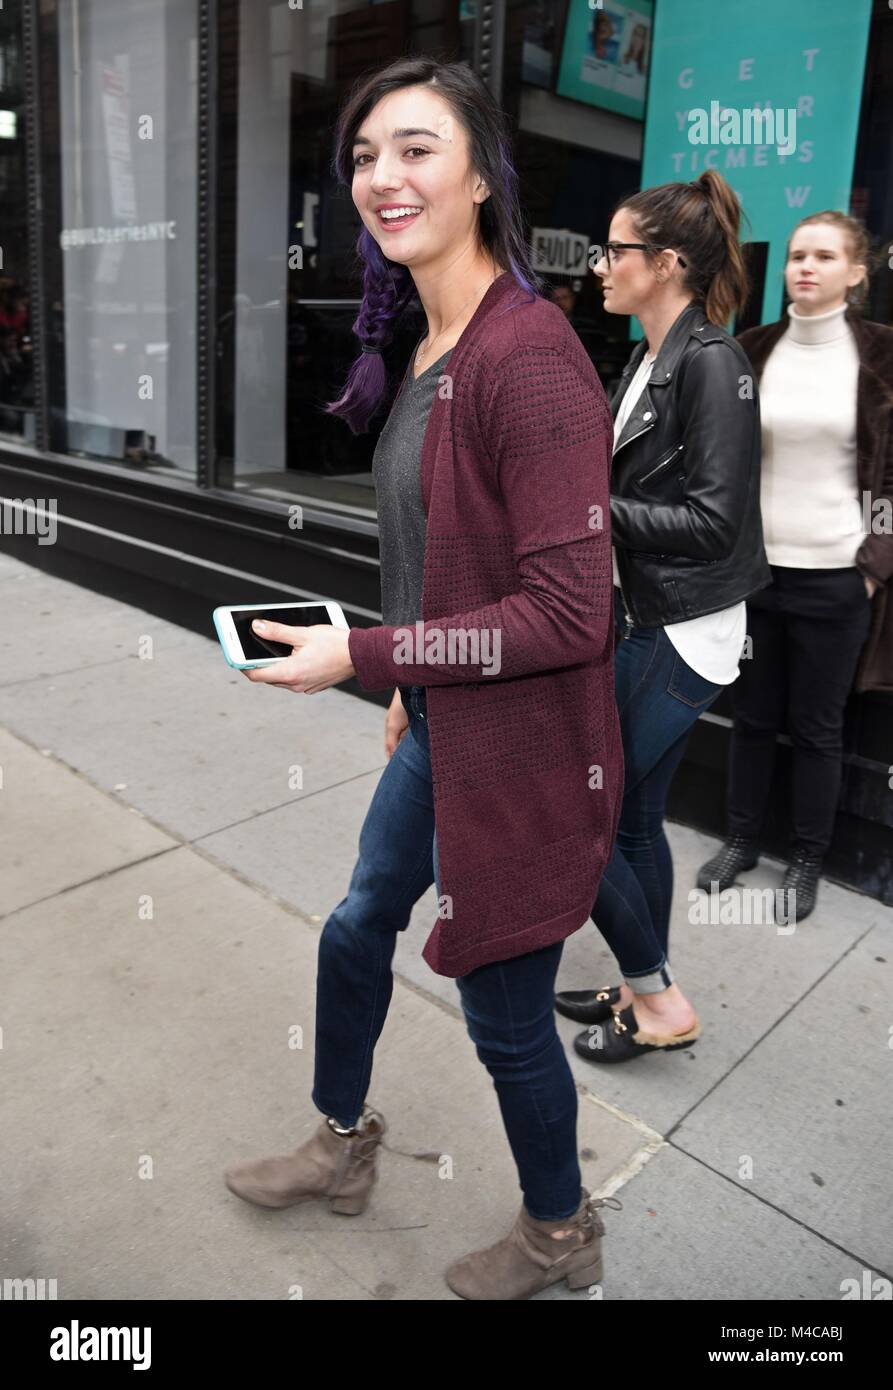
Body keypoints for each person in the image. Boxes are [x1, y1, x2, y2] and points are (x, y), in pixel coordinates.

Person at [222, 56, 624, 1301]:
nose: (380, 178)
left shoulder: (529, 356)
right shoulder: (433, 340)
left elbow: (569, 610)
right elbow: (442, 552)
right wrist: (408, 676)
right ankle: (343, 1140)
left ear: (480, 177)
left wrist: (369, 654)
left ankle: (560, 1230)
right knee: (356, 925)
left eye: (413, 149)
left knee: (505, 1018)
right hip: (447, 719)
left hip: (522, 753)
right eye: (361, 157)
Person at [555, 171, 771, 1062]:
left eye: (615, 250)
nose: (600, 265)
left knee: (581, 815)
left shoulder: (713, 364)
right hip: (646, 617)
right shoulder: (651, 356)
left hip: (678, 631)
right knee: (633, 818)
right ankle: (643, 981)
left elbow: (716, 521)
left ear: (667, 262)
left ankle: (659, 1002)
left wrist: (585, 507)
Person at [697, 211, 893, 920]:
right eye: (794, 256)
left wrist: (872, 563)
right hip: (754, 575)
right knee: (750, 717)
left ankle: (807, 857)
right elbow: (718, 461)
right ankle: (741, 839)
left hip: (837, 579)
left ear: (856, 272)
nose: (803, 267)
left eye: (822, 256)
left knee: (817, 728)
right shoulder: (751, 348)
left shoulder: (880, 355)